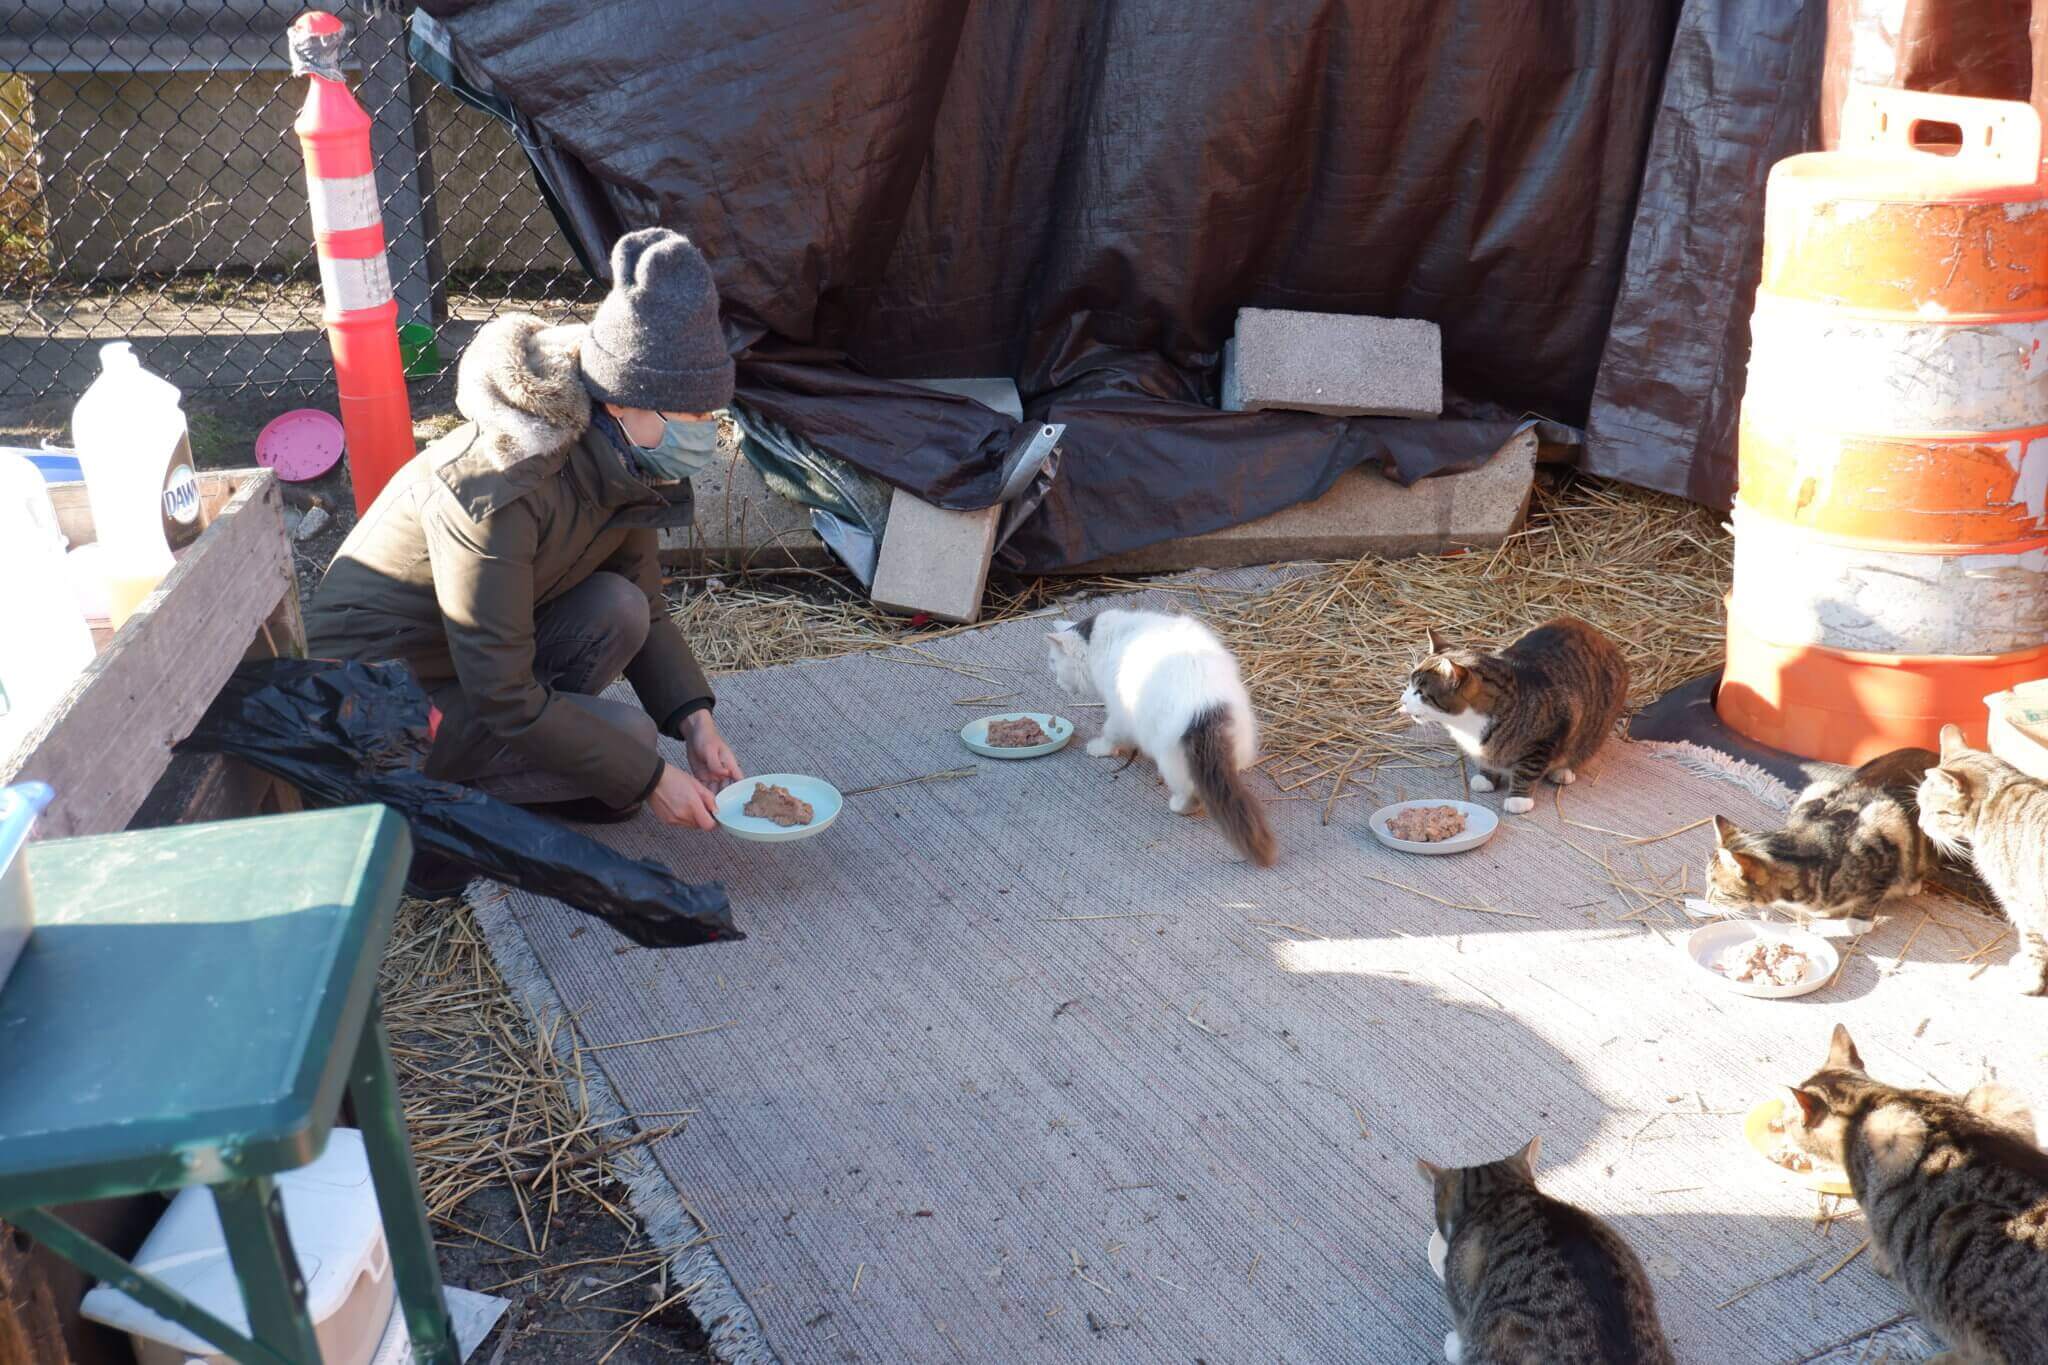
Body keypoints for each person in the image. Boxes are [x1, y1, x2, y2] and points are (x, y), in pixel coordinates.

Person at [306, 229, 744, 891]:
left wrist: (695, 721)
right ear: (623, 397)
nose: (703, 430)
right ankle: (419, 810)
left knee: (618, 611)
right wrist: (650, 776)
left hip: (454, 670)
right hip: (363, 712)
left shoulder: (620, 454)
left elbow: (643, 606)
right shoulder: (501, 483)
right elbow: (505, 694)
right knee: (627, 748)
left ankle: (519, 769)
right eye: (691, 410)